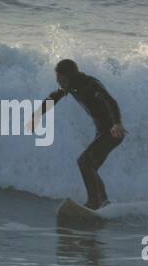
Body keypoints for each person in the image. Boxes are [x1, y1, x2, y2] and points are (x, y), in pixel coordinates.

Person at [32, 58, 127, 210]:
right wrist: (36, 116)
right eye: (57, 79)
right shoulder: (70, 87)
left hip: (113, 132)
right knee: (91, 167)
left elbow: (110, 101)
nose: (59, 83)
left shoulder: (90, 84)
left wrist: (117, 123)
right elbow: (53, 98)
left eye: (61, 79)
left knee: (84, 162)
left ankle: (94, 202)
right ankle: (104, 202)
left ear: (70, 76)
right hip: (103, 132)